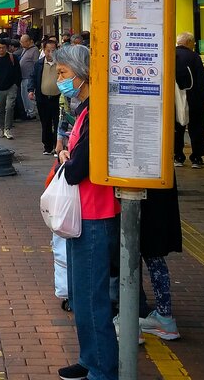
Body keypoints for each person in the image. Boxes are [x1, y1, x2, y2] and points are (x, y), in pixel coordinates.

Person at [56, 43, 120, 380]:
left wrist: (67, 158)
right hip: (82, 214)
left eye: (64, 74)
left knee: (91, 300)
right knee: (80, 296)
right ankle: (89, 359)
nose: (61, 81)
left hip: (96, 214)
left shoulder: (98, 111)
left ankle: (102, 370)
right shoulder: (85, 109)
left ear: (83, 74)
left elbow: (79, 166)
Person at [137, 181, 183, 339]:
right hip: (159, 200)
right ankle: (165, 315)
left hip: (139, 198)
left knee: (128, 255)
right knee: (154, 258)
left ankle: (127, 320)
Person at [175, 32, 204, 168]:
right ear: (189, 43)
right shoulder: (194, 57)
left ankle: (178, 156)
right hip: (194, 98)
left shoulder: (169, 54)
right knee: (196, 128)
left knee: (177, 128)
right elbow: (201, 79)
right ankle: (196, 158)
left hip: (174, 99)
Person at [31, 37, 60, 154]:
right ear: (44, 50)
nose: (50, 53)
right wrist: (30, 90)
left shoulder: (61, 63)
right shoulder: (39, 63)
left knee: (58, 123)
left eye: (53, 50)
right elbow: (33, 77)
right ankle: (47, 147)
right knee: (45, 123)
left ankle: (57, 146)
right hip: (43, 98)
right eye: (48, 50)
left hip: (58, 98)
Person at [0, 38, 21, 139]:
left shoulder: (13, 57)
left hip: (11, 87)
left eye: (3, 48)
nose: (1, 50)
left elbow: (18, 72)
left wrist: (16, 84)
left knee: (9, 107)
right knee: (0, 109)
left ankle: (7, 129)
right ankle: (1, 128)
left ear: (7, 48)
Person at [18, 33, 40, 120]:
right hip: (23, 77)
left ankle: (32, 112)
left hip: (29, 77)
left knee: (28, 96)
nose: (21, 44)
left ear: (28, 41)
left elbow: (36, 64)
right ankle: (28, 111)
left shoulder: (34, 50)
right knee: (24, 96)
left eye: (22, 42)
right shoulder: (25, 49)